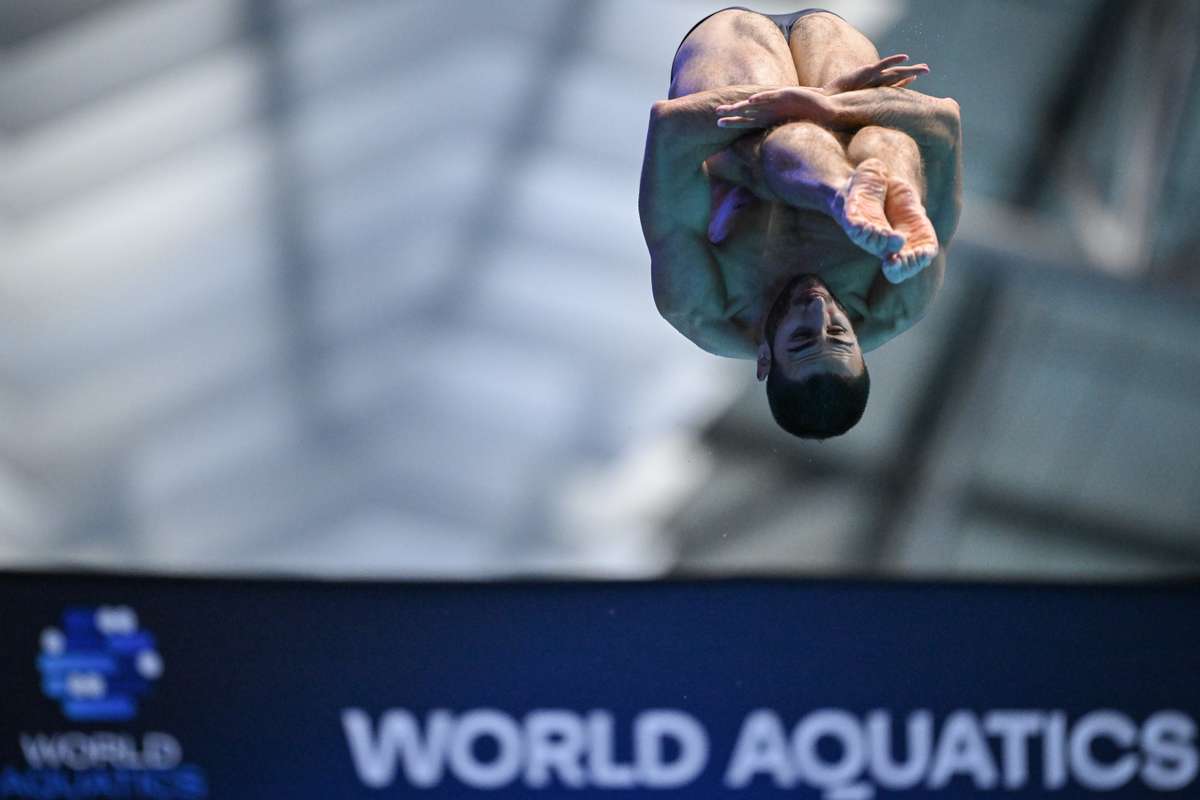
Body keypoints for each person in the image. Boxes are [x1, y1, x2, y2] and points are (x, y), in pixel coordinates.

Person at [639, 8, 962, 438]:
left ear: (765, 359)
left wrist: (812, 105)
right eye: (838, 333)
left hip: (735, 52)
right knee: (884, 141)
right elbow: (945, 123)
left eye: (802, 338)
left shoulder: (705, 310)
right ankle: (862, 188)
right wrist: (829, 104)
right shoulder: (896, 301)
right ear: (862, 349)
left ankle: (842, 194)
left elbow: (671, 130)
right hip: (829, 52)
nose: (818, 309)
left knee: (779, 145)